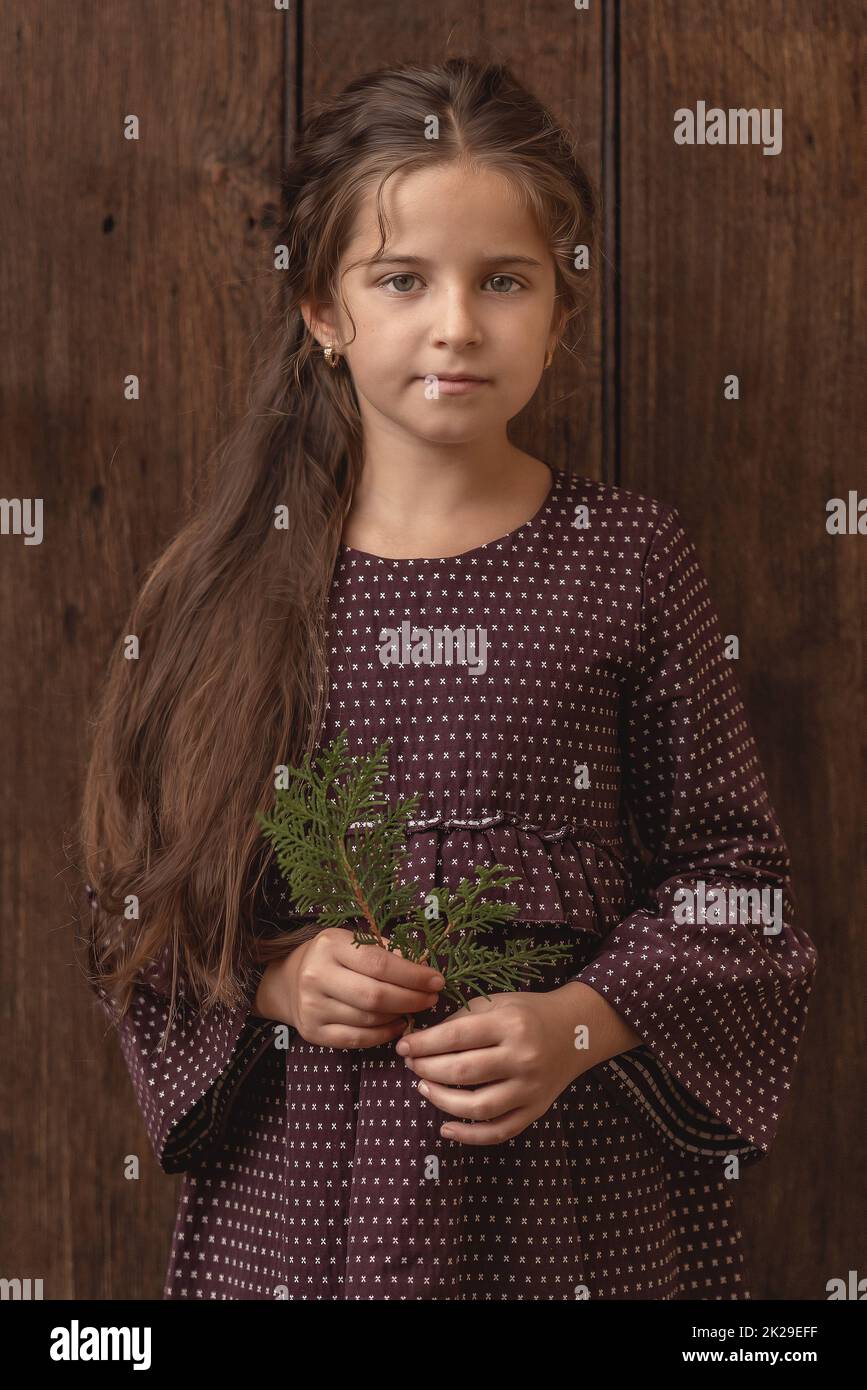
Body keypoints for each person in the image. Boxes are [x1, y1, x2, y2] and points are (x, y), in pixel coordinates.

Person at [79, 57, 817, 1301]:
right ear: (322, 310)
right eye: (402, 279)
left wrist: (579, 1022)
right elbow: (127, 904)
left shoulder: (631, 558)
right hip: (305, 1208)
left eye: (505, 281)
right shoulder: (230, 583)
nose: (458, 324)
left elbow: (737, 885)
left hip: (579, 1200)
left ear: (561, 316)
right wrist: (277, 982)